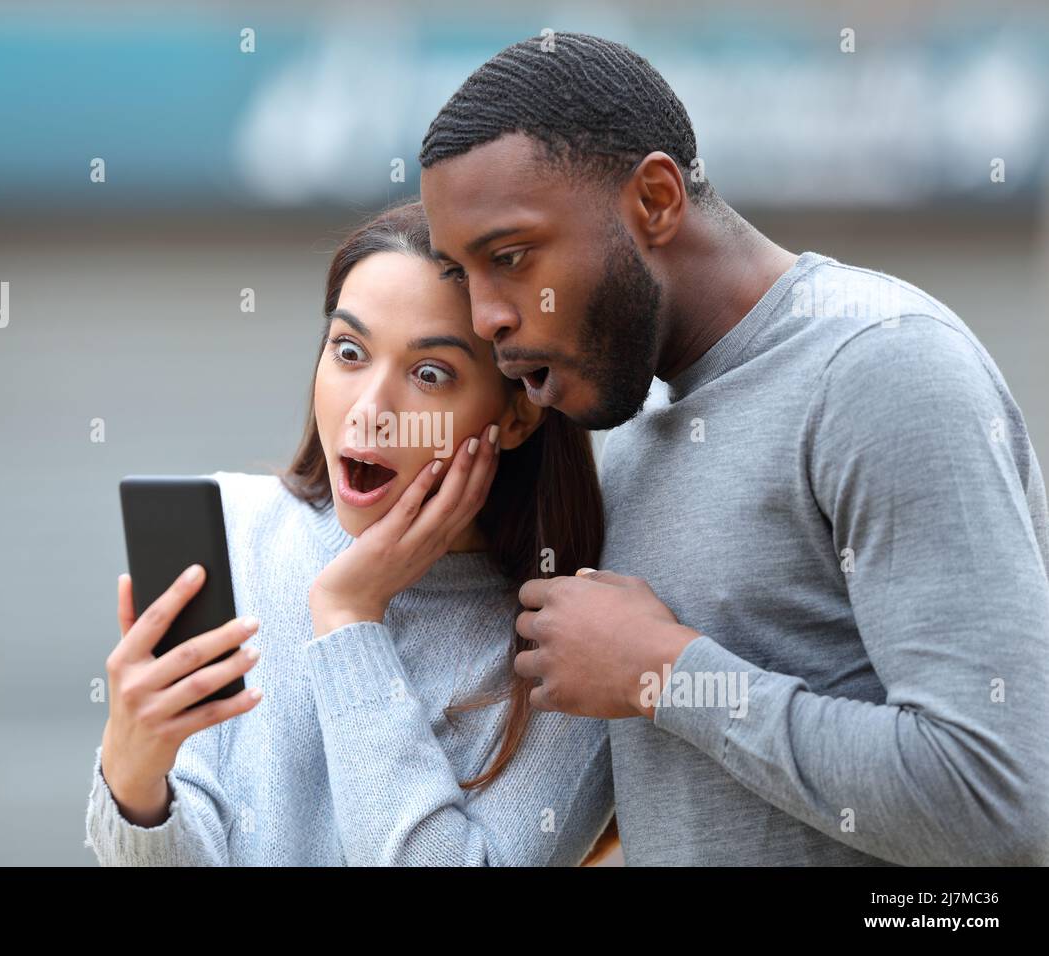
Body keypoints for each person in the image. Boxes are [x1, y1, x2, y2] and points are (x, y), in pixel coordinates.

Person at [418, 32, 1049, 865]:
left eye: (510, 257)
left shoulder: (880, 367)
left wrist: (666, 674)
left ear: (654, 200)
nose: (488, 316)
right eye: (464, 275)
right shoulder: (635, 427)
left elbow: (999, 801)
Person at [85, 200, 617, 865]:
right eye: (349, 351)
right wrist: (135, 780)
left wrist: (348, 616)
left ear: (516, 417)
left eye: (429, 374)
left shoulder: (566, 648)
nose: (369, 410)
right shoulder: (227, 531)